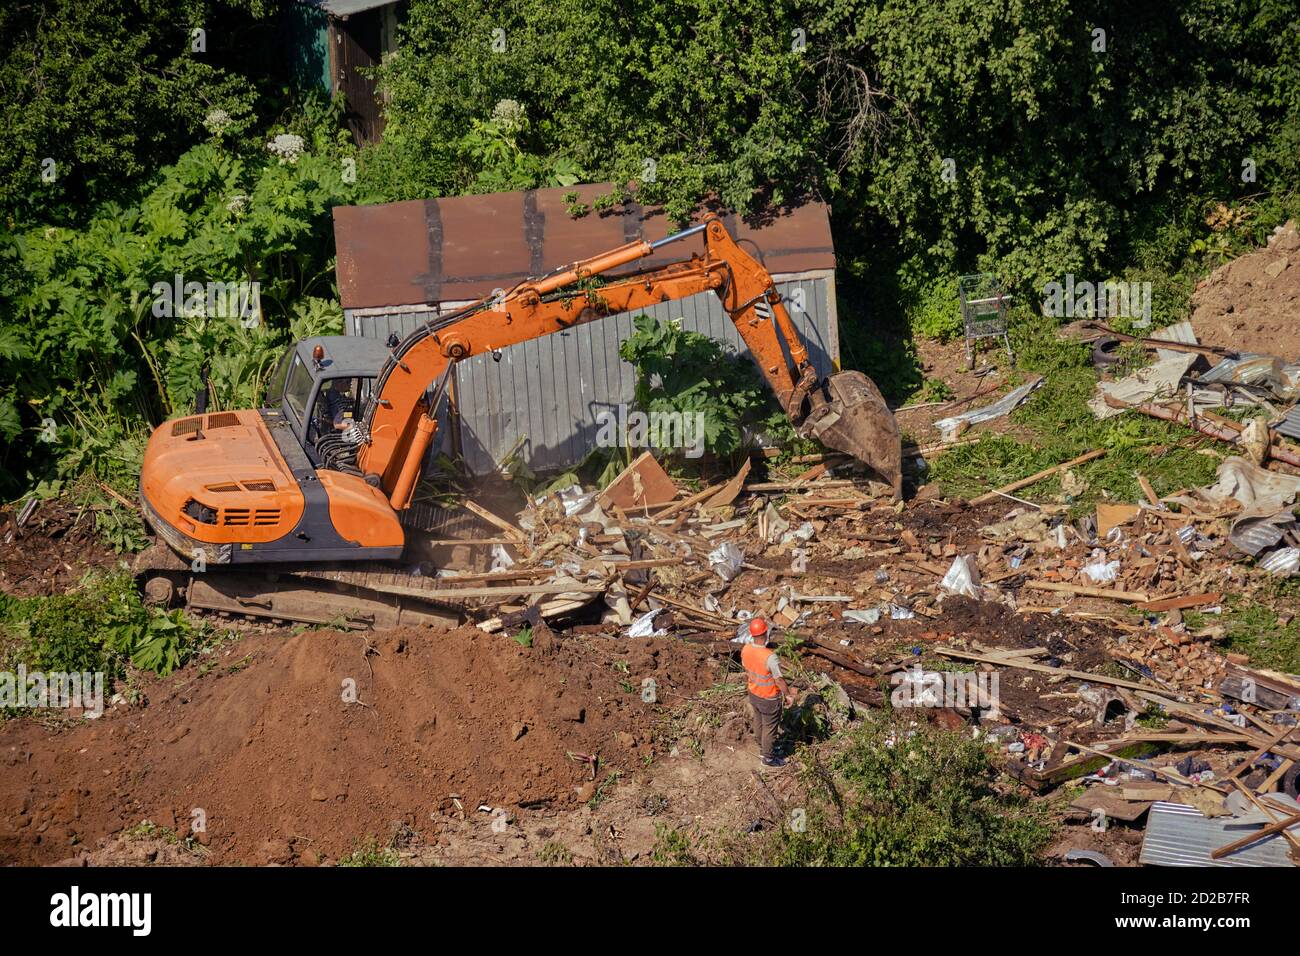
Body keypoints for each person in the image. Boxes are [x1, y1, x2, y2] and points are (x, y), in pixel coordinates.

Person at [741, 618, 795, 768]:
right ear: (765, 633)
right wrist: (788, 695)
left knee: (759, 722)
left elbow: (747, 668)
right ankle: (768, 758)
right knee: (770, 728)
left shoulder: (746, 649)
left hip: (753, 693)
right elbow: (779, 681)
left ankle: (762, 747)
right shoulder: (770, 657)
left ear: (752, 634)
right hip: (769, 698)